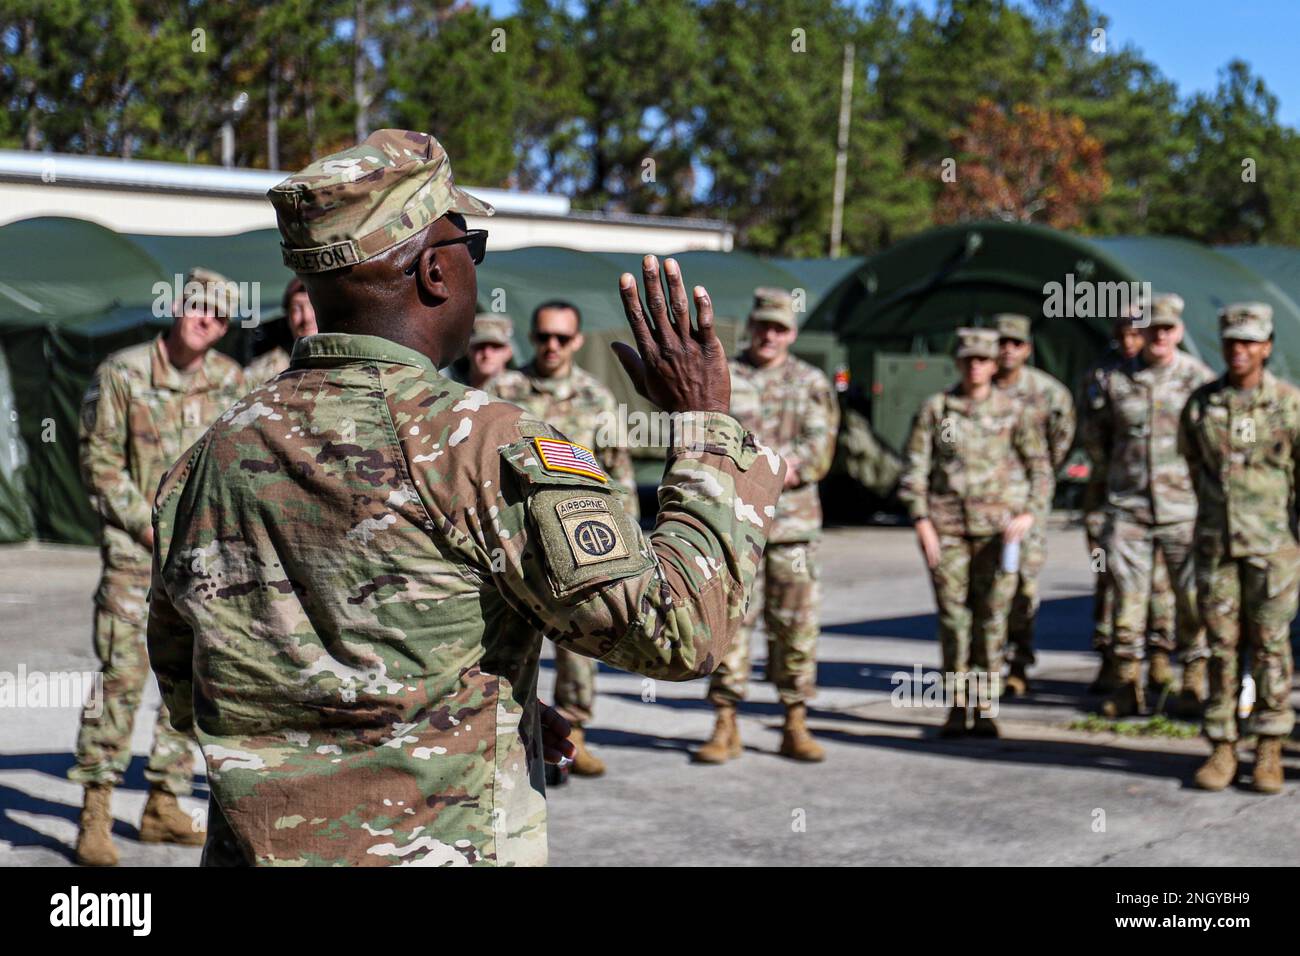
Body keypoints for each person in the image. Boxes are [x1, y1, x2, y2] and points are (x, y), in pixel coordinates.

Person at [145, 129, 784, 867]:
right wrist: (705, 429)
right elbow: (682, 631)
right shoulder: (484, 444)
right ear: (436, 272)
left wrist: (461, 704)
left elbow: (193, 677)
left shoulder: (210, 453)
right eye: (468, 246)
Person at [72, 266, 246, 866]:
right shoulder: (122, 373)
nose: (206, 321)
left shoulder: (231, 382)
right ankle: (95, 809)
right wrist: (146, 523)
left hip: (198, 564)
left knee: (191, 684)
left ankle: (164, 805)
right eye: (199, 307)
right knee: (120, 679)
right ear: (177, 307)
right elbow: (98, 465)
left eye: (219, 315)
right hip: (134, 557)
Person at [490, 300, 639, 776]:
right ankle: (509, 738)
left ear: (576, 341)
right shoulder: (501, 392)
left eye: (561, 338)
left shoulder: (597, 401)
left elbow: (619, 476)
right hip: (510, 548)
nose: (551, 346)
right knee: (506, 646)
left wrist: (629, 542)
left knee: (580, 649)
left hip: (575, 551)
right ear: (531, 338)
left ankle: (574, 739)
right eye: (542, 336)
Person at [694, 288, 840, 764]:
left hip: (793, 528)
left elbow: (818, 449)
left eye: (779, 329)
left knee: (796, 626)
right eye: (762, 327)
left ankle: (794, 720)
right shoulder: (727, 377)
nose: (769, 336)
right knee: (731, 625)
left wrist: (763, 472)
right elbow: (709, 438)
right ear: (751, 327)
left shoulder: (810, 381)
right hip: (736, 529)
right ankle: (724, 722)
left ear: (792, 333)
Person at [898, 328, 1051, 738]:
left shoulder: (1014, 411)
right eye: (968, 359)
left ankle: (984, 706)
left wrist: (1029, 514)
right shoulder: (937, 409)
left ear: (994, 363)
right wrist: (921, 522)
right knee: (953, 620)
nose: (976, 366)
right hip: (947, 531)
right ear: (958, 361)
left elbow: (1041, 468)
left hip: (997, 535)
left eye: (983, 359)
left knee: (992, 620)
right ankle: (955, 706)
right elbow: (914, 471)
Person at [1180, 303, 1299, 794]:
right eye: (1232, 341)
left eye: (1250, 341)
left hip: (1273, 549)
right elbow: (1194, 467)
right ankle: (1223, 745)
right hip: (1217, 548)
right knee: (1221, 648)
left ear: (1267, 346)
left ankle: (1269, 746)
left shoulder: (1289, 405)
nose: (1240, 350)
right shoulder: (1201, 404)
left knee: (1272, 649)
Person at [1083, 293, 1213, 718]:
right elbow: (1097, 440)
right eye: (1151, 329)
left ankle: (1193, 682)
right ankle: (1126, 686)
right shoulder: (1115, 381)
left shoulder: (1199, 381)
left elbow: (1213, 446)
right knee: (1127, 602)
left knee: (1191, 601)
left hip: (1183, 510)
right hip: (1129, 509)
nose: (1159, 336)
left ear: (1177, 332)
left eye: (1167, 329)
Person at [1080, 310, 1176, 695]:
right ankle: (1110, 656)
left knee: (1159, 580)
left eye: (1137, 333)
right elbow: (1090, 432)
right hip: (1107, 497)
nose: (1130, 341)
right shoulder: (1102, 378)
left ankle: (1158, 654)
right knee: (1107, 575)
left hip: (1157, 499)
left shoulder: (1171, 376)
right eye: (1124, 333)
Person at [992, 314, 1075, 696]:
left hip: (1025, 507)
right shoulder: (974, 389)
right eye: (1000, 342)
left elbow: (1058, 446)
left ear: (1027, 349)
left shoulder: (1049, 393)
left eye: (1015, 343)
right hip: (983, 505)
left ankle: (1019, 664)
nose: (1006, 350)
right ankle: (985, 662)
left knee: (1023, 585)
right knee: (985, 590)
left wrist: (1031, 489)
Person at [244, 277, 318, 387]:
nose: (306, 318)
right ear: (287, 317)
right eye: (296, 309)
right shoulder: (262, 372)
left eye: (313, 306)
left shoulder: (345, 363)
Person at [450, 313, 515, 389]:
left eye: (495, 347)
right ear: (468, 350)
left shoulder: (521, 390)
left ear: (508, 352)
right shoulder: (452, 387)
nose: (487, 354)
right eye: (480, 347)